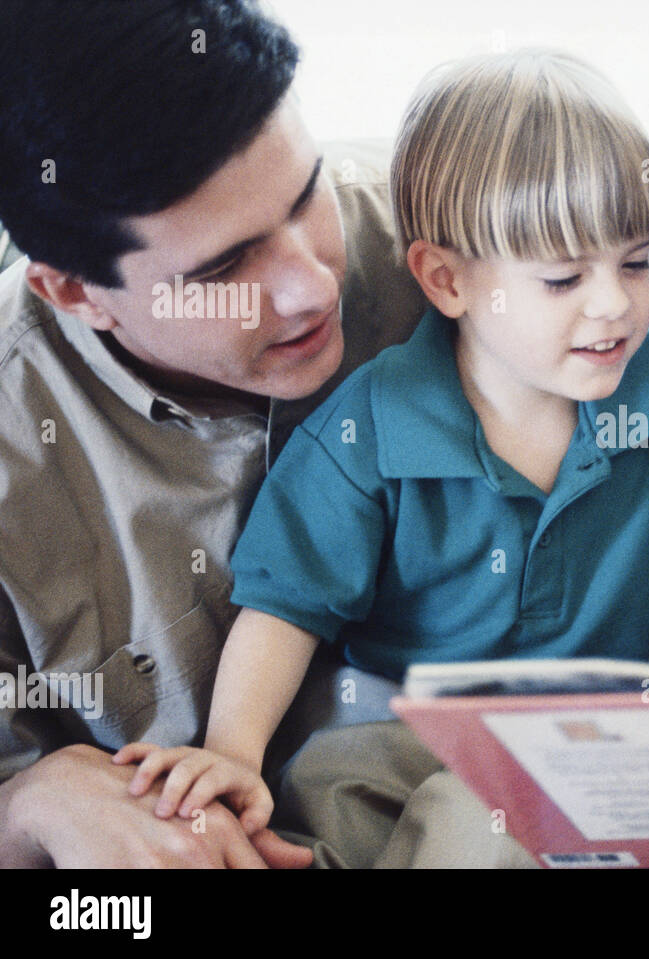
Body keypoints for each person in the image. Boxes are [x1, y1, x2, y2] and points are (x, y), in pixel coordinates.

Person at [114, 50, 649, 840]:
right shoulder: (368, 428)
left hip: (603, 751)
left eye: (636, 262)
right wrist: (233, 749)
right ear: (446, 281)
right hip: (411, 743)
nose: (615, 304)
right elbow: (283, 610)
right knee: (342, 793)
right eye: (563, 280)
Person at [0, 0, 472, 868]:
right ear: (74, 292)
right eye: (223, 268)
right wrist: (32, 803)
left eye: (306, 193)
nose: (311, 287)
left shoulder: (458, 248)